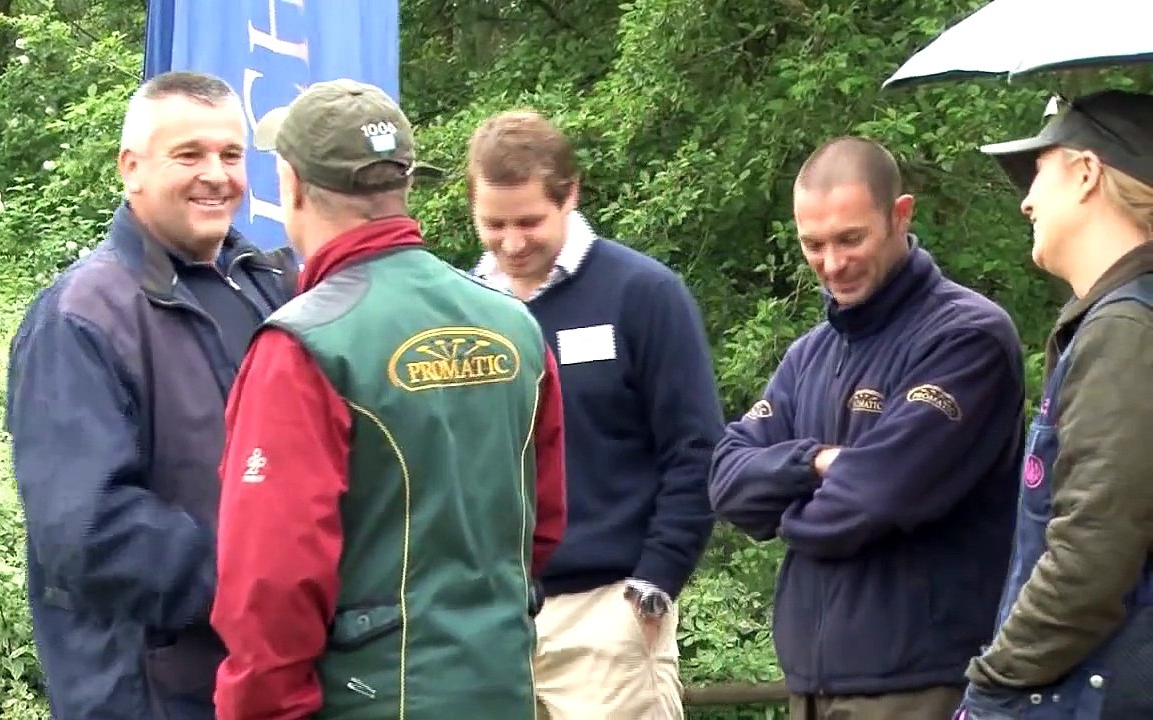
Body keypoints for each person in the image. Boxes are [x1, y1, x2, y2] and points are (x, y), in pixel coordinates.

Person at [209, 79, 568, 720]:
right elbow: (541, 527)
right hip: (497, 687)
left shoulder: (303, 345)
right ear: (403, 185)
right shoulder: (513, 324)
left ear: (290, 184)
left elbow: (271, 582)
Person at [4, 70, 296, 719]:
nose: (215, 174)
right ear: (131, 168)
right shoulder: (80, 318)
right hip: (147, 692)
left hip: (262, 681)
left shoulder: (270, 287)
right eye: (188, 155)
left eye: (229, 154)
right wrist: (255, 582)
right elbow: (85, 529)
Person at [708, 136, 1026, 720]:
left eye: (850, 239)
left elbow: (873, 499)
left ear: (900, 215)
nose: (832, 264)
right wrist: (816, 463)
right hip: (808, 682)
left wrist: (786, 507)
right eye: (814, 244)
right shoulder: (809, 354)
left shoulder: (967, 338)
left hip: (921, 682)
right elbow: (726, 480)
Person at [467, 109, 723, 719]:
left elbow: (697, 448)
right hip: (486, 623)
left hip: (609, 614)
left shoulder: (642, 293)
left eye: (529, 221)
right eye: (492, 223)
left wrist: (655, 581)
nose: (511, 243)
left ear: (571, 194)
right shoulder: (461, 307)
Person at [956, 90, 1153, 720]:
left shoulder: (1127, 331)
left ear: (1089, 172)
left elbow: (1091, 555)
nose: (1026, 200)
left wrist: (993, 684)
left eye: (1040, 169)